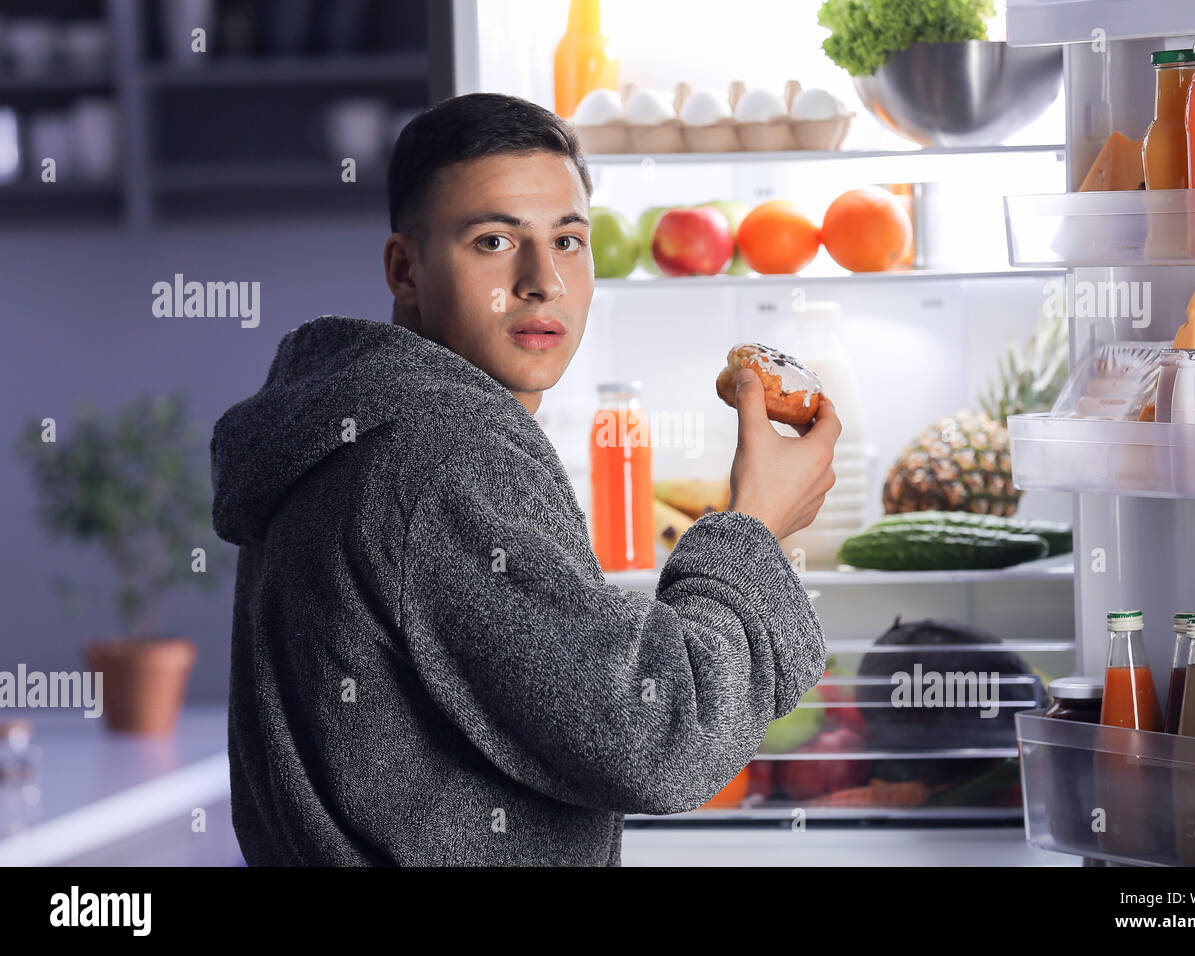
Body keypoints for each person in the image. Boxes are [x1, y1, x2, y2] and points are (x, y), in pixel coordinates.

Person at [210, 92, 838, 866]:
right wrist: (755, 529)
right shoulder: (441, 458)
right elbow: (664, 735)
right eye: (494, 239)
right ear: (405, 269)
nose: (543, 281)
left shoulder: (356, 420)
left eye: (569, 241)